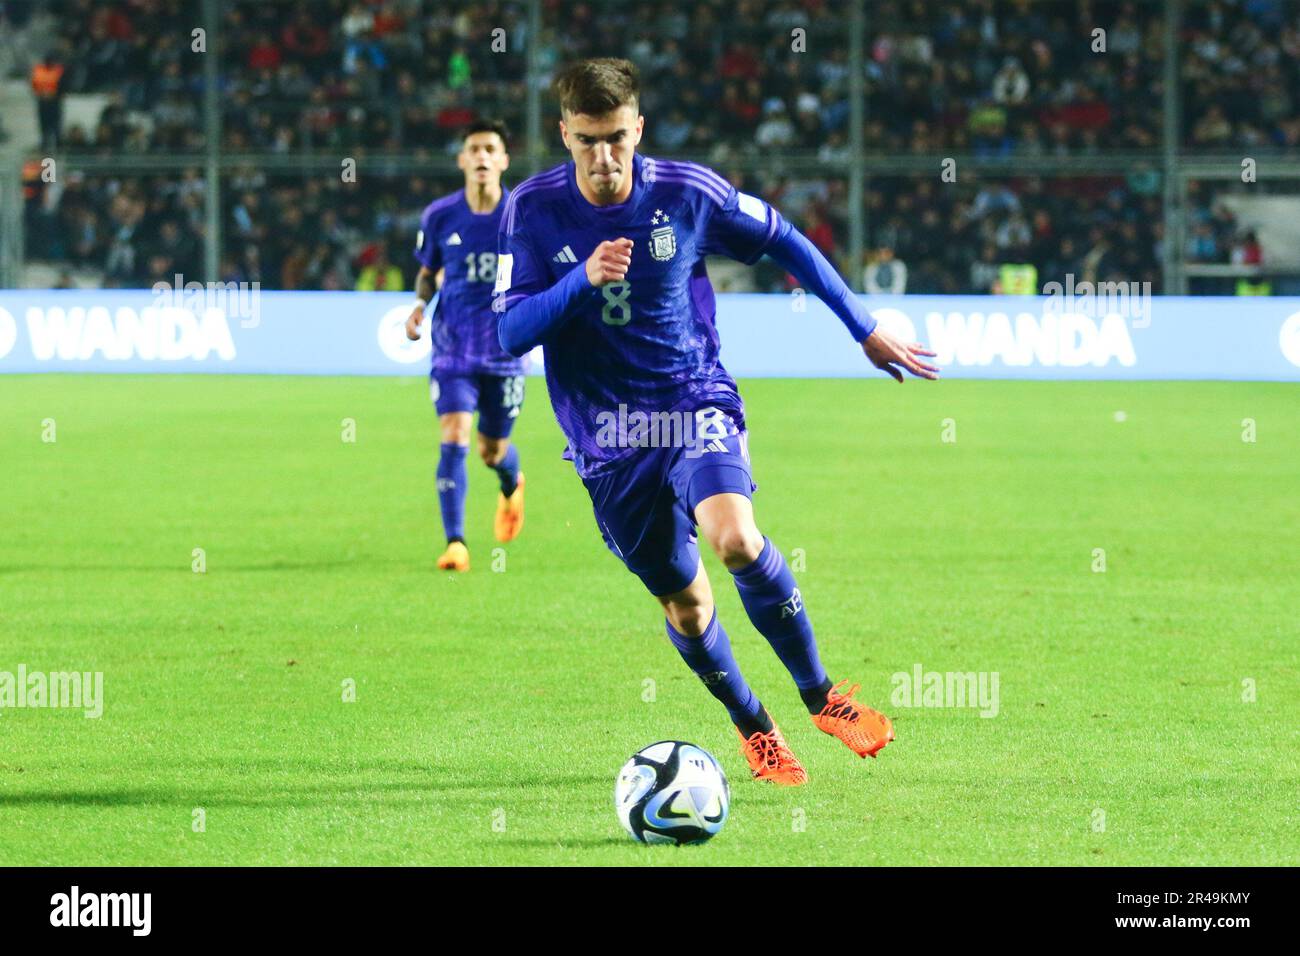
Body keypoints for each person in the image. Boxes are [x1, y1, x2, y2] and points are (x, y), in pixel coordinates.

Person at [494, 59, 939, 785]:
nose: (604, 160)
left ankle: (822, 695)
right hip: (608, 440)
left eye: (615, 139)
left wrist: (862, 327)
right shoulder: (532, 210)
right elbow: (510, 335)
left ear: (637, 128)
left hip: (690, 397)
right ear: (563, 135)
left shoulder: (687, 193)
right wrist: (581, 280)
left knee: (734, 538)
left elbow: (786, 239)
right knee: (686, 601)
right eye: (586, 142)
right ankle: (753, 725)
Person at [406, 120, 525, 572]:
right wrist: (419, 305)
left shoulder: (522, 213)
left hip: (505, 350)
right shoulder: (440, 215)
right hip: (452, 348)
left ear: (503, 160)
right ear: (461, 160)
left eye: (490, 149)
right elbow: (426, 270)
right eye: (473, 148)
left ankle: (512, 481)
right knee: (453, 436)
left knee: (491, 450)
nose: (481, 156)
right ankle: (456, 543)